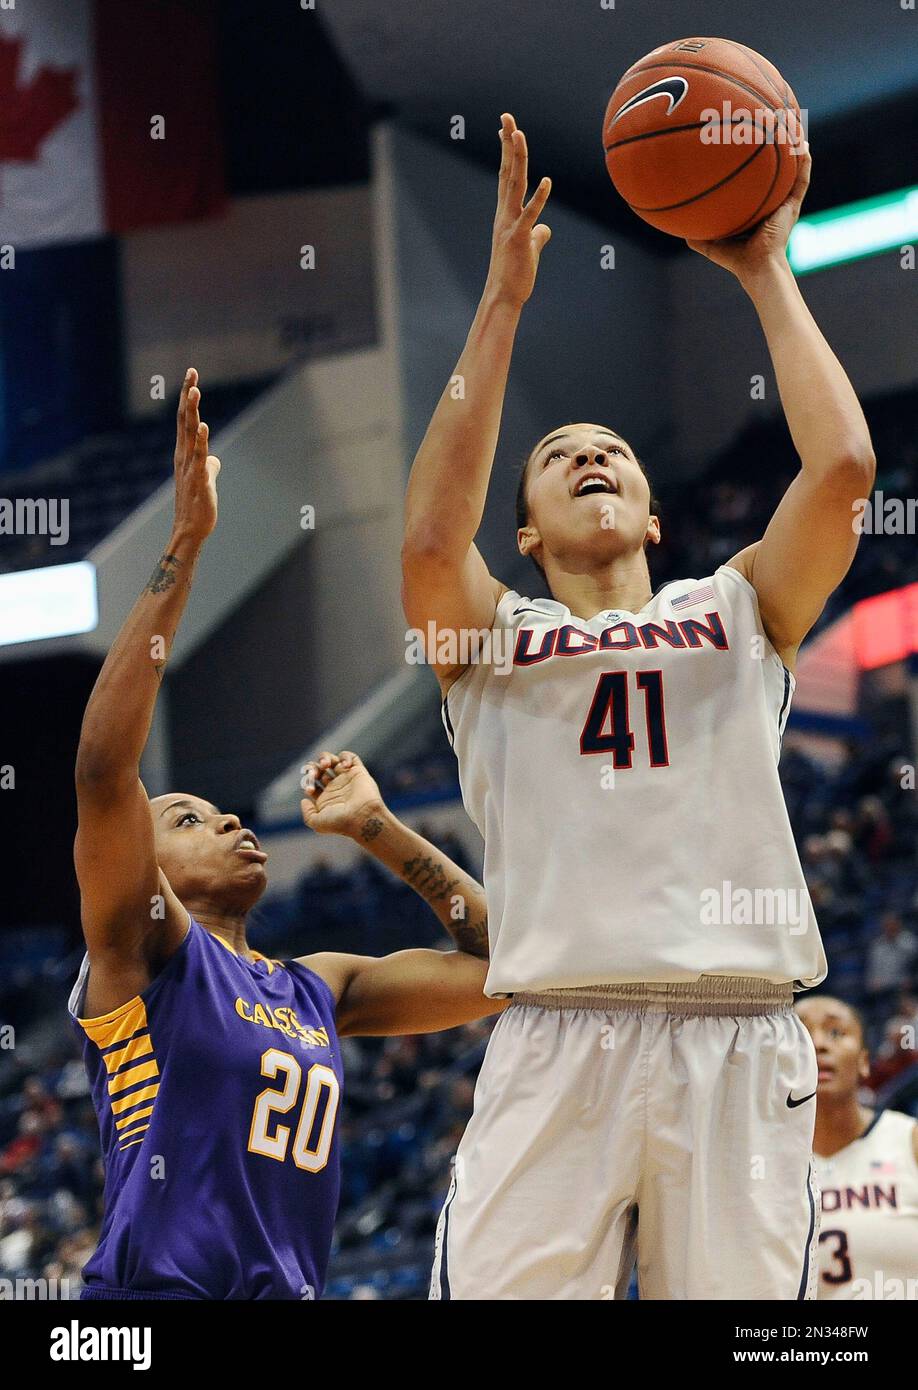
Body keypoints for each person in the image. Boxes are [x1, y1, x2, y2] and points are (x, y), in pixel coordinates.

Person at [402, 112, 877, 1299]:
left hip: (737, 1033)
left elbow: (844, 472)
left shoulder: (740, 609)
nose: (591, 454)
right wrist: (503, 302)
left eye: (613, 447)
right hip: (562, 1032)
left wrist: (766, 264)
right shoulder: (489, 638)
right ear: (523, 531)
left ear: (658, 514)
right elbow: (425, 532)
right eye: (560, 452)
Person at [70, 370, 503, 1300]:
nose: (226, 818)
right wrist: (186, 543)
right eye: (186, 818)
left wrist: (378, 829)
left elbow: (504, 969)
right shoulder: (142, 953)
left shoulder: (317, 987)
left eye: (217, 810)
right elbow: (105, 771)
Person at [798, 995, 918, 1300]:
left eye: (836, 1032)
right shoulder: (759, 1164)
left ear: (865, 1062)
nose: (818, 1044)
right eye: (800, 1033)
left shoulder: (909, 1140)